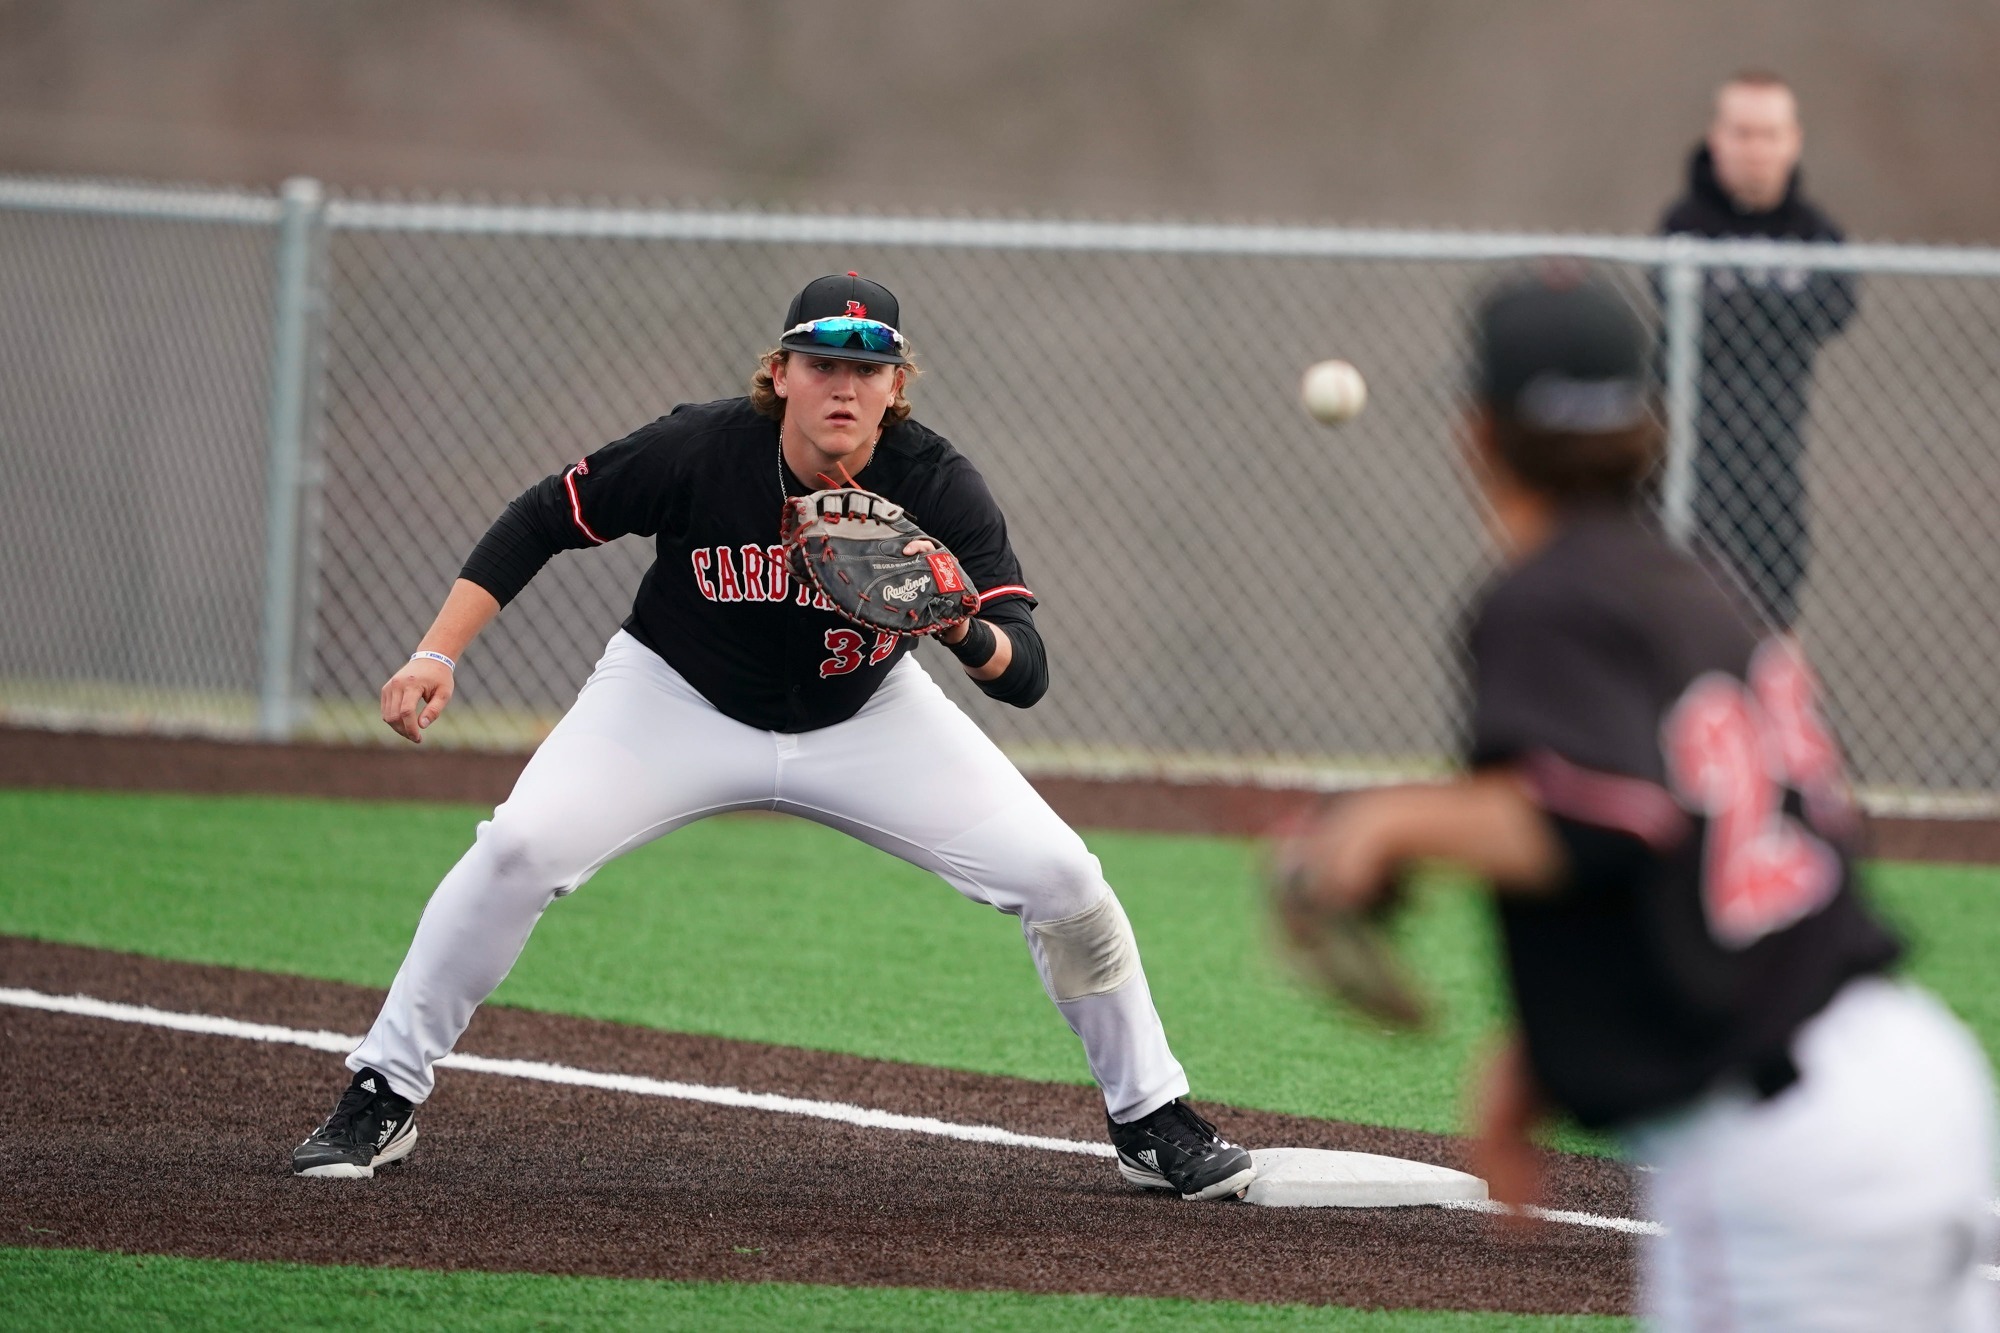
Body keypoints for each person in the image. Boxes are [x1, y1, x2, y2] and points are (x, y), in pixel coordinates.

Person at [289, 273, 1256, 1202]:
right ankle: (384, 1089)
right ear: (780, 373)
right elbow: (545, 516)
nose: (843, 382)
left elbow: (1028, 674)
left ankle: (1148, 1117)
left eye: (867, 366)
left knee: (1065, 879)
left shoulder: (936, 484)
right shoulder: (700, 450)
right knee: (517, 846)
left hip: (866, 713)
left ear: (896, 388)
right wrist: (437, 655)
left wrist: (957, 624)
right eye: (821, 360)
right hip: (674, 695)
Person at [1283, 269, 1995, 1327]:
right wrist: (1541, 1054)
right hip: (1900, 1079)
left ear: (1474, 433)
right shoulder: (1684, 584)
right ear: (1645, 426)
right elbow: (1697, 840)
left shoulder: (1547, 595)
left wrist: (1375, 823)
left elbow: (1605, 817)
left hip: (1781, 1151)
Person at [1660, 70, 1857, 628]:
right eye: (1742, 133)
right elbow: (1680, 313)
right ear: (1716, 138)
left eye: (1769, 134)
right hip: (1690, 459)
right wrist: (1777, 308)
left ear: (1792, 141)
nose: (1755, 150)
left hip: (1776, 460)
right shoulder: (1683, 227)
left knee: (1773, 624)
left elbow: (1836, 309)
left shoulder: (1817, 235)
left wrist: (1737, 303)